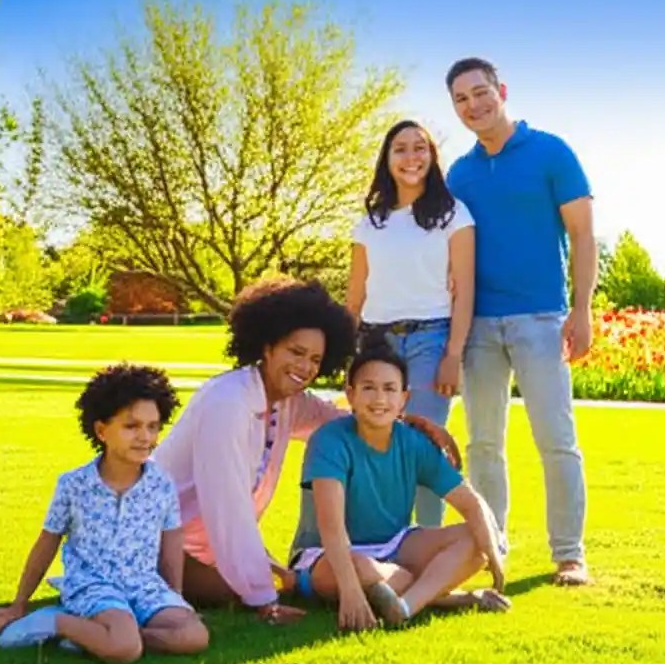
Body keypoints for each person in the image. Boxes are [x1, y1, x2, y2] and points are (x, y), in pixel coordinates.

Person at [149, 276, 461, 625]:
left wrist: (412, 424)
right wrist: (263, 600)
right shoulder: (228, 402)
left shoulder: (289, 403)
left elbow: (352, 419)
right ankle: (435, 596)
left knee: (284, 582)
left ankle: (430, 596)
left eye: (315, 359)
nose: (305, 368)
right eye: (295, 352)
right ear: (266, 346)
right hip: (154, 541)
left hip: (203, 548)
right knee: (269, 587)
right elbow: (228, 507)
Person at [442, 56, 597, 586]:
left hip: (541, 319)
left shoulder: (551, 152)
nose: (473, 105)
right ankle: (493, 545)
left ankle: (569, 555)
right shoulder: (459, 174)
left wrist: (581, 309)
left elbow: (581, 235)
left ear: (501, 90)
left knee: (556, 440)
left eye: (481, 92)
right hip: (480, 327)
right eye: (461, 99)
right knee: (483, 445)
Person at [0, 363, 208, 663]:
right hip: (93, 586)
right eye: (131, 426)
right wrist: (18, 604)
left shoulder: (161, 483)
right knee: (124, 651)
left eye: (153, 426)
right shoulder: (73, 485)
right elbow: (47, 543)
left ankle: (98, 637)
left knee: (194, 636)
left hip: (143, 585)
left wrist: (175, 596)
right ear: (102, 431)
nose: (145, 437)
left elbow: (171, 541)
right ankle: (58, 622)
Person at [289, 335, 509, 632]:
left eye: (390, 389)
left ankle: (403, 607)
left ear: (404, 398)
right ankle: (444, 597)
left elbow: (471, 503)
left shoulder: (414, 441)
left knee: (478, 536)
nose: (379, 399)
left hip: (397, 545)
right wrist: (352, 592)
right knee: (362, 568)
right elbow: (331, 527)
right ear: (350, 394)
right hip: (328, 553)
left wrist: (492, 555)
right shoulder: (329, 441)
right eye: (368, 388)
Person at [346, 118, 475, 528]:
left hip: (430, 338)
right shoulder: (370, 223)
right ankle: (375, 540)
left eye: (420, 148)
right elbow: (356, 294)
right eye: (400, 148)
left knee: (423, 443)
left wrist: (453, 353)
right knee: (373, 442)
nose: (410, 157)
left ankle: (427, 540)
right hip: (375, 342)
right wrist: (343, 352)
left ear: (432, 157)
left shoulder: (453, 215)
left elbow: (465, 290)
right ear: (387, 158)